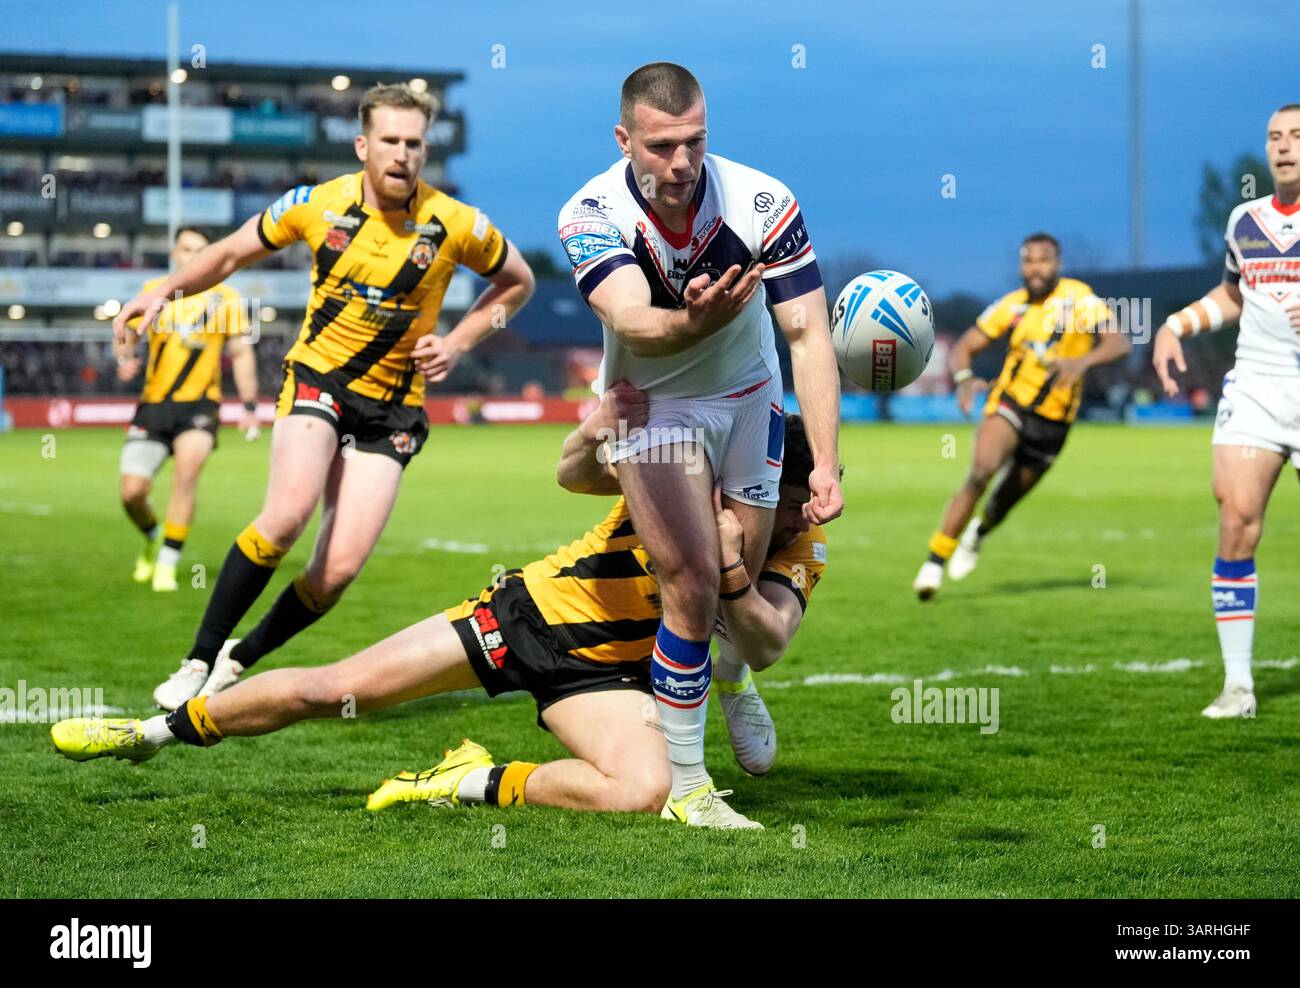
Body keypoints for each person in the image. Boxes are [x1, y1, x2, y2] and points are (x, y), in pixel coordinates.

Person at [50, 390, 831, 830]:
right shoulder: (680, 481)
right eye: (792, 505)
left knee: (642, 792)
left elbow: (766, 641)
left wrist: (730, 562)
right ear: (757, 484)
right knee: (334, 690)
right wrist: (598, 425)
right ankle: (152, 730)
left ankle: (464, 779)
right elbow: (571, 471)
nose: (800, 521)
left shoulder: (797, 546)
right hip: (527, 616)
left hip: (608, 682)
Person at [112, 83, 535, 710]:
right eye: (389, 141)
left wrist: (461, 340)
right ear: (364, 145)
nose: (402, 154)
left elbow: (517, 282)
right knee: (285, 516)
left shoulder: (457, 223)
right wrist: (165, 292)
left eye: (414, 143)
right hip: (319, 381)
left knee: (334, 574)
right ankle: (197, 659)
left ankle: (240, 658)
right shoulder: (315, 204)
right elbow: (228, 254)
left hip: (393, 407)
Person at [558, 62, 842, 823]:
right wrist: (694, 321)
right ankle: (688, 790)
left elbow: (809, 335)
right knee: (690, 580)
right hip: (652, 405)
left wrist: (828, 463)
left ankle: (732, 677)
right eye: (660, 147)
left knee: (731, 581)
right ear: (625, 140)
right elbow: (631, 322)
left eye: (695, 142)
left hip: (749, 396)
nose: (681, 164)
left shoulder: (763, 201)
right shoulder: (590, 211)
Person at [1152, 104, 1300, 719]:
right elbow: (1233, 294)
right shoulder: (1246, 220)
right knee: (1236, 519)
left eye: (1296, 136)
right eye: (1275, 137)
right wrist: (1176, 324)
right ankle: (1238, 686)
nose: (1284, 146)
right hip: (1259, 388)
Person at [912, 233, 1130, 599]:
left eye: (1043, 260)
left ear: (1058, 263)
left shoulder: (1079, 299)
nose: (1035, 268)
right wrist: (964, 379)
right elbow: (966, 346)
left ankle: (977, 534)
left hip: (1055, 422)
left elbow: (1118, 342)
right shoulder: (1011, 306)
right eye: (1028, 261)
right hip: (1010, 402)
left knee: (1005, 500)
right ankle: (934, 563)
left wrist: (1083, 361)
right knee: (982, 471)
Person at [115, 226, 259, 592]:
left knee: (186, 475)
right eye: (187, 249)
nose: (193, 256)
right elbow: (128, 335)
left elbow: (242, 354)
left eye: (201, 250)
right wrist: (125, 358)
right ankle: (153, 536)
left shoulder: (226, 298)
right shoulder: (153, 292)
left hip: (200, 406)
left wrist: (249, 406)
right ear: (174, 253)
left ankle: (167, 564)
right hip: (153, 405)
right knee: (132, 493)